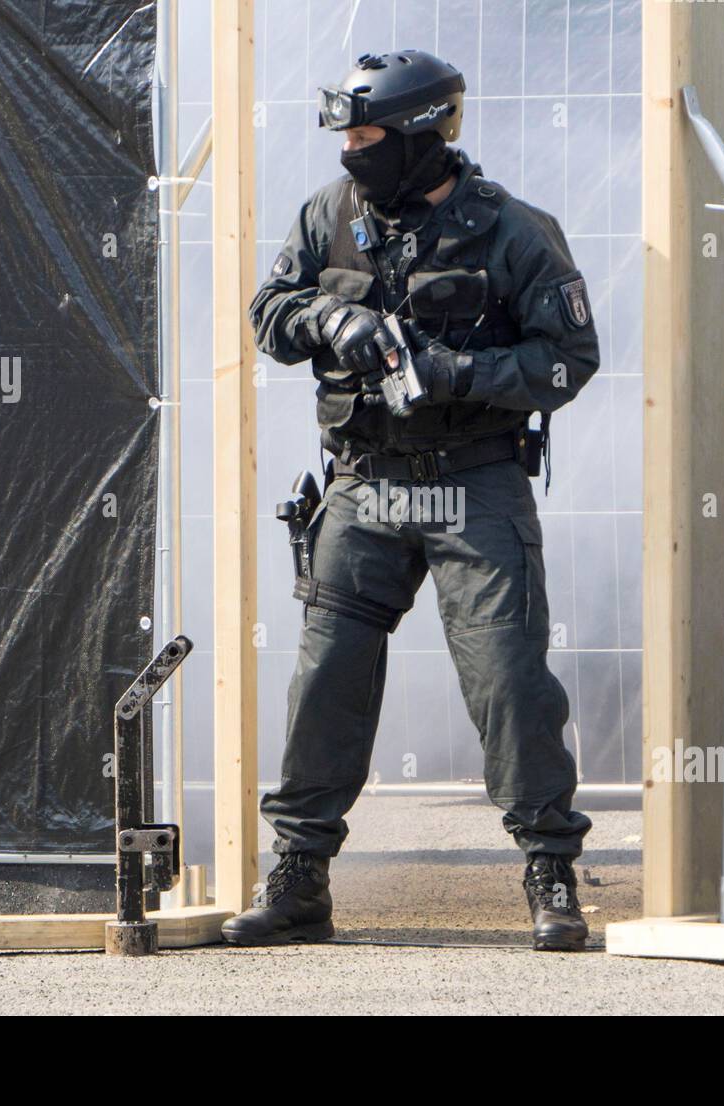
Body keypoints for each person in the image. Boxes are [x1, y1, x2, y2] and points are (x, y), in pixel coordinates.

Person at [221, 48, 600, 952]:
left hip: (474, 484)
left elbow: (569, 360)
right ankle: (301, 878)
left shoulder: (514, 229)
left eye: (368, 135)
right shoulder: (330, 215)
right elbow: (269, 311)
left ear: (425, 135)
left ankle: (550, 872)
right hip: (364, 486)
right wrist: (332, 319)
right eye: (346, 135)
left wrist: (453, 372)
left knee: (510, 681)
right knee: (325, 680)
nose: (351, 151)